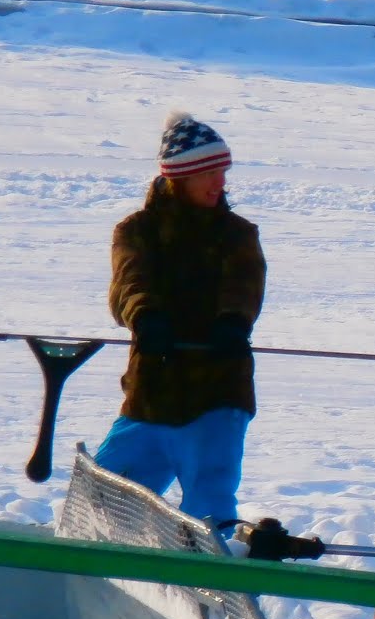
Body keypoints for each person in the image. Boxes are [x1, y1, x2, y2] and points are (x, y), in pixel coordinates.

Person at [92, 112, 266, 538]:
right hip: (152, 394)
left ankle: (208, 592)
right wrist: (145, 316)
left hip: (219, 392)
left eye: (223, 172)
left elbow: (243, 287)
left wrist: (232, 323)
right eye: (209, 172)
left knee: (209, 513)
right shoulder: (136, 232)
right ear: (179, 177)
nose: (220, 183)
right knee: (105, 497)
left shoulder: (238, 235)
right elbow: (128, 283)